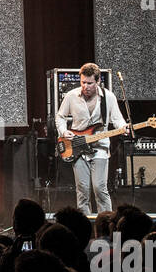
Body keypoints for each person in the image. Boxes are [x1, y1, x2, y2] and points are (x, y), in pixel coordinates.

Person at [55, 62, 129, 213]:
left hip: (100, 148)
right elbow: (60, 117)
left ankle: (106, 222)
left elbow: (117, 119)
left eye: (90, 83)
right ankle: (85, 224)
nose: (85, 86)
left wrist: (123, 127)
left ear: (98, 81)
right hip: (78, 146)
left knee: (99, 188)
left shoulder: (108, 97)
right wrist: (63, 131)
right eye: (83, 82)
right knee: (82, 190)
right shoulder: (71, 96)